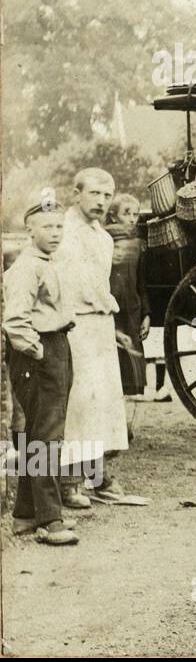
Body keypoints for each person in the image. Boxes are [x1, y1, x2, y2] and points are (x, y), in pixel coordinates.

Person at [55, 168, 146, 506]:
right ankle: (68, 480)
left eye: (107, 196)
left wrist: (115, 326)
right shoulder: (63, 232)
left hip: (100, 325)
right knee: (78, 401)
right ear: (76, 193)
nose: (101, 201)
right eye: (94, 194)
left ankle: (98, 474)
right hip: (73, 323)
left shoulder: (104, 238)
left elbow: (103, 286)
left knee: (104, 400)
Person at [3, 192, 78, 545]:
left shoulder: (47, 261)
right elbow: (15, 323)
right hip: (39, 353)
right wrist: (39, 353)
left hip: (56, 345)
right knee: (45, 438)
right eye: (47, 226)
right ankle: (50, 520)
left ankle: (25, 514)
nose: (56, 232)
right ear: (29, 229)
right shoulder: (25, 267)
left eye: (60, 225)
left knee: (40, 432)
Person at [105, 193, 149, 398]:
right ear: (113, 217)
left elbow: (142, 280)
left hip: (132, 308)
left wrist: (146, 314)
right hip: (111, 307)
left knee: (132, 366)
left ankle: (126, 423)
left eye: (136, 214)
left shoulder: (139, 244)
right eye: (126, 213)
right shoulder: (104, 241)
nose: (132, 218)